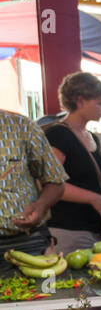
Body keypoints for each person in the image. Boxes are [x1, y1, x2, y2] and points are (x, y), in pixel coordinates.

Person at [42, 72, 101, 253]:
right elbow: (50, 183)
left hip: (93, 231)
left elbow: (82, 176)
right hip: (66, 230)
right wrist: (94, 198)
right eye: (100, 103)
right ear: (80, 101)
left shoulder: (92, 138)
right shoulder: (58, 135)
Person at [0, 109, 67, 262]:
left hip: (26, 243)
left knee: (44, 286)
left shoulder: (21, 126)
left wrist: (41, 205)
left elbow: (56, 181)